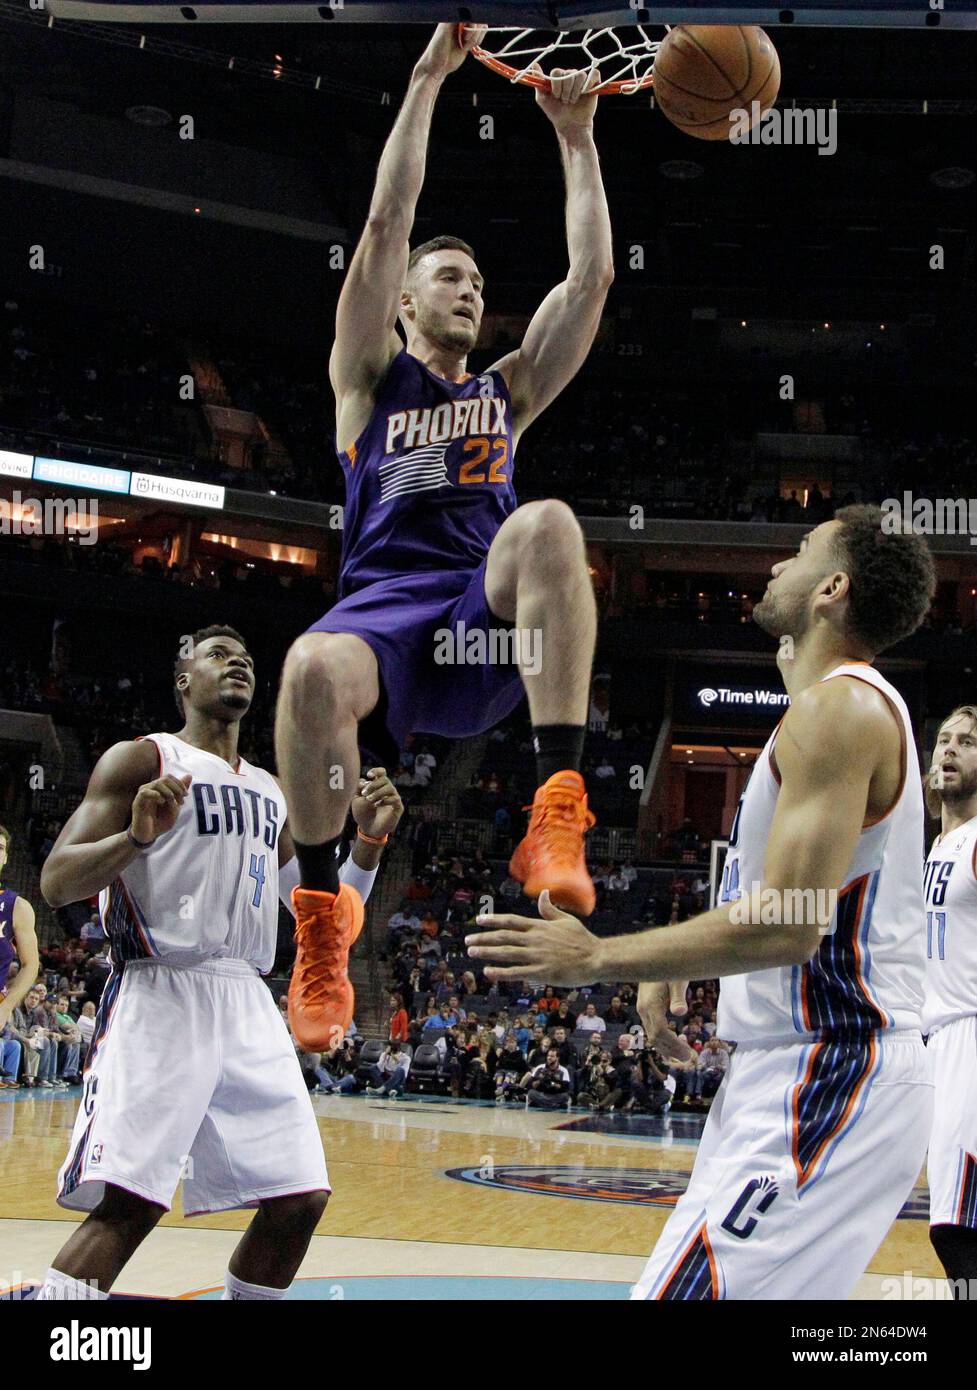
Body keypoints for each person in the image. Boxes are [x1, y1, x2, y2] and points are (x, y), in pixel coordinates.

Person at [469, 507, 938, 1300]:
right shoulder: (820, 707)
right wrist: (673, 970)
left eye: (797, 552)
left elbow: (789, 926)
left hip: (832, 1068)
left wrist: (600, 958)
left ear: (830, 588)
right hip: (789, 1073)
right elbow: (764, 894)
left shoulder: (841, 712)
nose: (774, 564)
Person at [273, 22, 614, 1053]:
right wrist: (426, 76)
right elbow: (385, 223)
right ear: (407, 304)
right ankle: (324, 925)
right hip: (383, 618)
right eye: (450, 278)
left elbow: (590, 280)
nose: (469, 289)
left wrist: (575, 138)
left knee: (547, 521)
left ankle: (556, 804)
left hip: (481, 615)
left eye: (475, 281)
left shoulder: (503, 393)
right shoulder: (367, 381)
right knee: (304, 669)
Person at [36, 626, 397, 1302]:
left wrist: (369, 843)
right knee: (132, 1204)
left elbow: (326, 921)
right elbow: (57, 881)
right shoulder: (142, 759)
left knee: (298, 1199)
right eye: (217, 654)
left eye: (248, 659)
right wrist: (135, 838)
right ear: (182, 680)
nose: (238, 662)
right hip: (160, 988)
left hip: (246, 999)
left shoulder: (271, 790)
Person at [922, 703, 977, 1295]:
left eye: (967, 741)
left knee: (958, 1227)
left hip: (971, 1036)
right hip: (937, 1041)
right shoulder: (939, 847)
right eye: (944, 739)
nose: (951, 749)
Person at [0, 826, 40, 1054]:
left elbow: (30, 964)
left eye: (0, 848)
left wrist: (6, 1008)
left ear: (5, 858)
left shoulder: (17, 907)